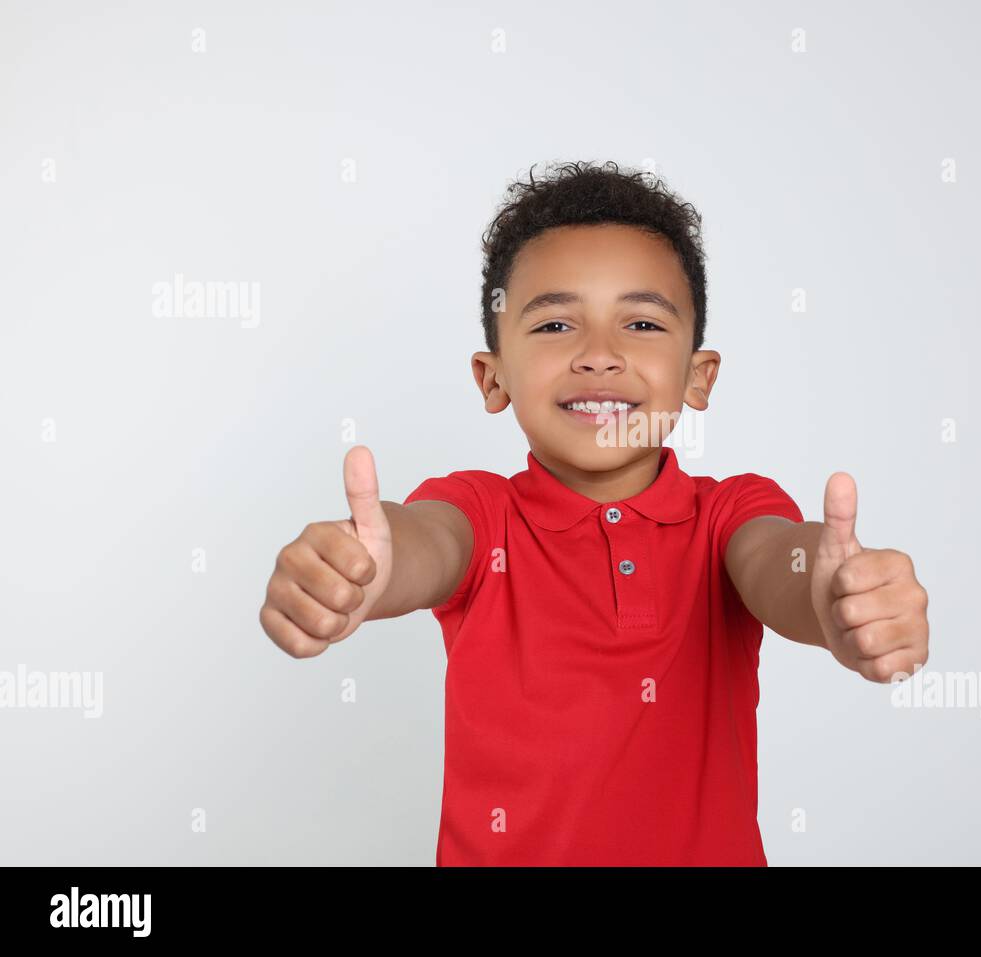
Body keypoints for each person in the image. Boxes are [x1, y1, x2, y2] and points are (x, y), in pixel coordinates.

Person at [258, 160, 930, 866]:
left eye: (640, 322)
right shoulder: (480, 514)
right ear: (494, 379)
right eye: (554, 324)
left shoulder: (732, 513)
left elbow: (782, 560)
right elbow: (422, 542)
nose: (600, 356)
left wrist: (833, 599)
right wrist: (363, 566)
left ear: (698, 378)